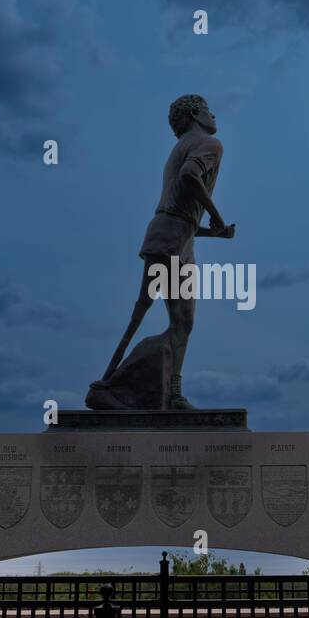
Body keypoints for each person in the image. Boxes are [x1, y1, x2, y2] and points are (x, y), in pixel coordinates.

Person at [97, 94, 235, 410]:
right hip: (172, 237)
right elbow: (190, 176)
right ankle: (116, 385)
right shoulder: (210, 144)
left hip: (175, 234)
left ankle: (162, 390)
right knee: (161, 315)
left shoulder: (180, 147)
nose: (215, 117)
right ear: (196, 113)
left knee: (170, 317)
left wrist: (213, 232)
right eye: (210, 111)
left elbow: (180, 213)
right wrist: (216, 216)